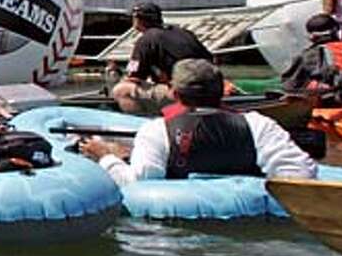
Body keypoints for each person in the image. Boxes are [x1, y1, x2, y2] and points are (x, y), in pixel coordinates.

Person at [81, 60, 317, 186]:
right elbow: (301, 172)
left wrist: (105, 157)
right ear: (221, 91)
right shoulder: (259, 124)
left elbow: (138, 183)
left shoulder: (156, 130)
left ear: (174, 93)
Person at [111, 2, 211, 114]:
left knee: (121, 90)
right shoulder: (184, 32)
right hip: (210, 90)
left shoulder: (146, 39)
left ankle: (141, 122)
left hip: (185, 95)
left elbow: (133, 77)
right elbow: (209, 59)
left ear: (138, 20)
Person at [281, 13, 342, 101]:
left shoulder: (307, 56)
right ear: (337, 31)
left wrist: (312, 85)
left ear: (312, 37)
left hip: (331, 105)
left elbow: (290, 86)